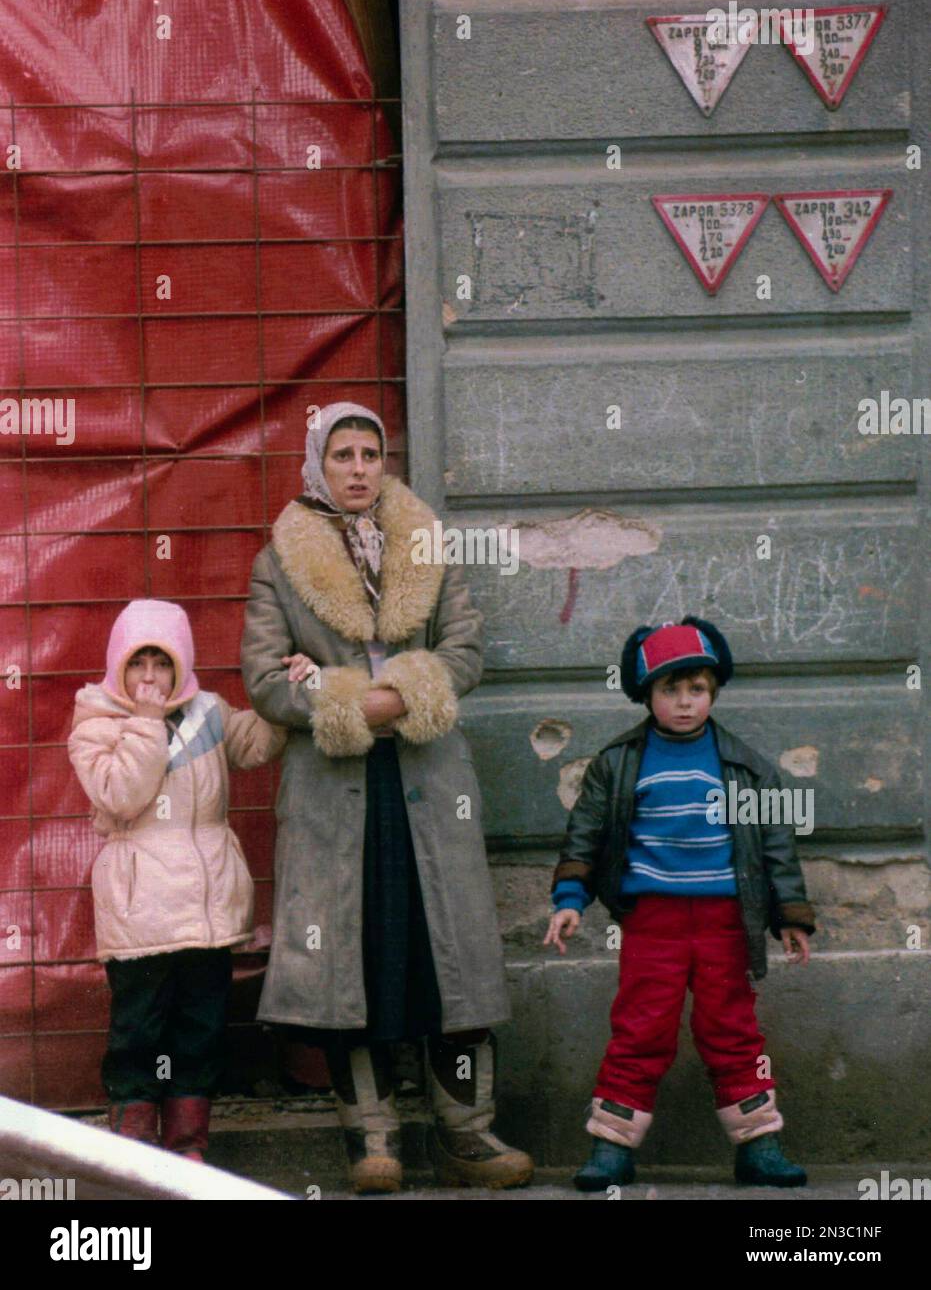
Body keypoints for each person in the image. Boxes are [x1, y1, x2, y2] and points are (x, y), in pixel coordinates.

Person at [240, 400, 532, 1194]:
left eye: (371, 453)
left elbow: (463, 648)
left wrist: (400, 695)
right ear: (318, 464)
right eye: (343, 455)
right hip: (333, 789)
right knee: (350, 958)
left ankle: (468, 1136)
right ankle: (374, 1141)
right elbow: (264, 678)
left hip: (429, 783)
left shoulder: (424, 544)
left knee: (452, 955)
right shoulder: (281, 560)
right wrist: (341, 706)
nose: (360, 467)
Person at [543, 617, 815, 1191]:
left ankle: (759, 1146)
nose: (685, 703)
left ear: (713, 692)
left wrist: (790, 916)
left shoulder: (744, 767)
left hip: (725, 924)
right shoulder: (619, 764)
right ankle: (612, 1148)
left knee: (734, 1029)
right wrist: (570, 899)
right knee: (641, 1029)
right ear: (648, 695)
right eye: (670, 690)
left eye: (697, 689)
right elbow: (585, 838)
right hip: (653, 924)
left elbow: (776, 848)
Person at [67, 598, 287, 1161]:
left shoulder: (209, 711)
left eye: (161, 663)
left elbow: (258, 742)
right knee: (138, 1035)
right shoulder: (96, 720)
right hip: (139, 913)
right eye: (137, 663)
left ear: (181, 664)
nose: (148, 678)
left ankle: (188, 1151)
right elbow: (122, 792)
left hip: (207, 912)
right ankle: (135, 1158)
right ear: (118, 665)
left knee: (200, 1032)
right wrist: (144, 722)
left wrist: (291, 689)